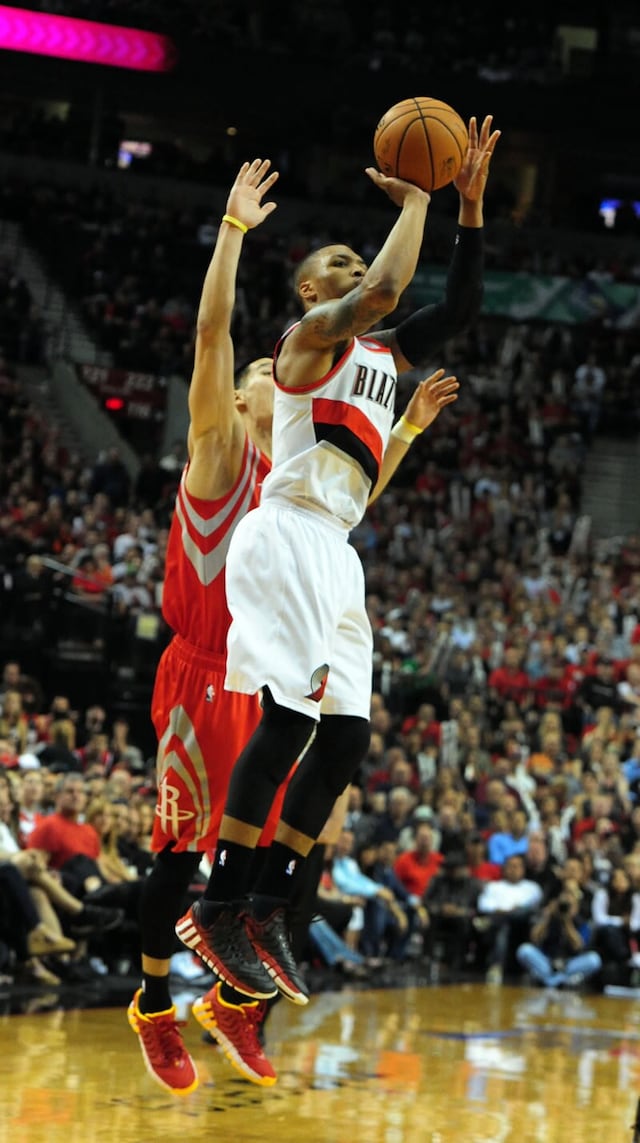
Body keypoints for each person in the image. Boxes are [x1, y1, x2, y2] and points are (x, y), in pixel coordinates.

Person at [131, 157, 461, 1093]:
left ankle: (239, 1002)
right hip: (203, 671)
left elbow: (354, 488)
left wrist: (401, 436)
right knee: (181, 847)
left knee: (309, 829)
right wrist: (233, 232)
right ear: (245, 395)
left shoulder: (309, 456)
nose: (278, 380)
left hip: (277, 652)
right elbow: (210, 336)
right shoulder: (221, 446)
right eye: (263, 377)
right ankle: (155, 1003)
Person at [176, 117, 500, 1006]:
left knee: (348, 733)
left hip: (338, 548)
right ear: (309, 285)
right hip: (285, 529)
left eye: (360, 261)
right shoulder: (305, 343)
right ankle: (219, 902)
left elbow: (460, 309)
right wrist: (420, 201)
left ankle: (272, 902)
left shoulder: (386, 358)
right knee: (288, 721)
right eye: (341, 263)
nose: (357, 270)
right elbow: (389, 289)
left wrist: (467, 208)